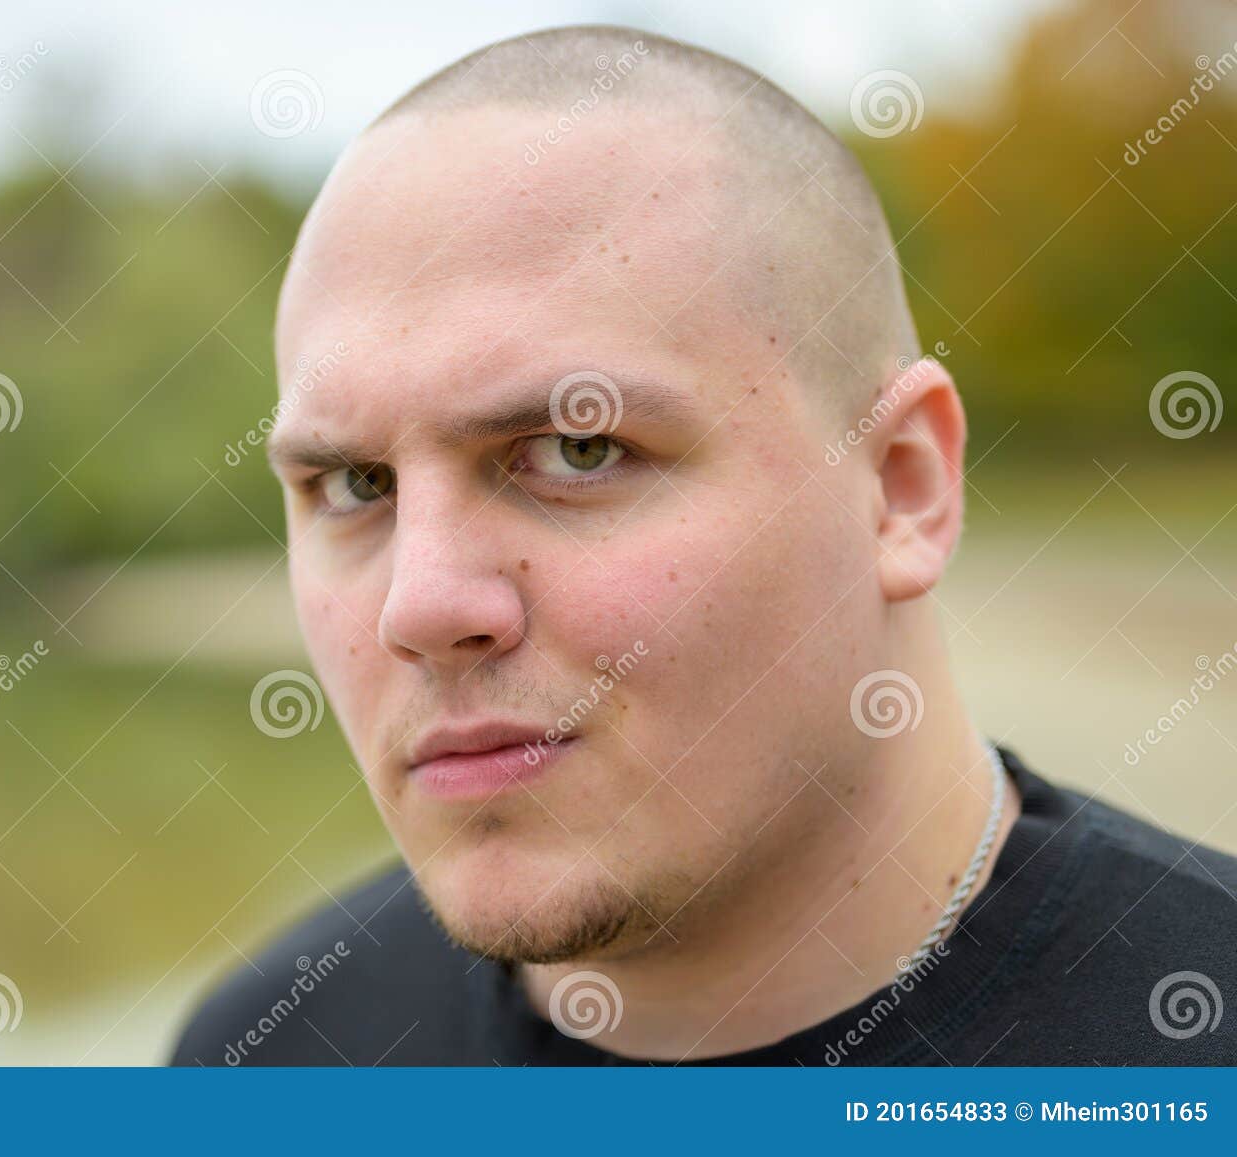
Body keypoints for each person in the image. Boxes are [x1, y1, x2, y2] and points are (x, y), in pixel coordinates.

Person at [171, 24, 1236, 1065]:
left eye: (579, 450)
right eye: (355, 484)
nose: (421, 606)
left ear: (902, 487)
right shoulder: (271, 1058)